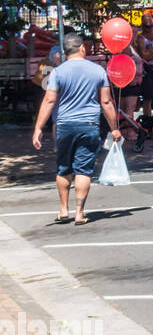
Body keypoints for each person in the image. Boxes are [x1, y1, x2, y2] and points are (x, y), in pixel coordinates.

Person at [31, 33, 121, 225]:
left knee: (64, 167)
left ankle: (64, 209)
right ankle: (80, 213)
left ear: (64, 53)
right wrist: (114, 128)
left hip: (64, 125)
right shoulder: (98, 71)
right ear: (83, 49)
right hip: (89, 125)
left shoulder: (57, 72)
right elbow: (106, 101)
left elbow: (49, 100)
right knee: (83, 170)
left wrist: (38, 128)